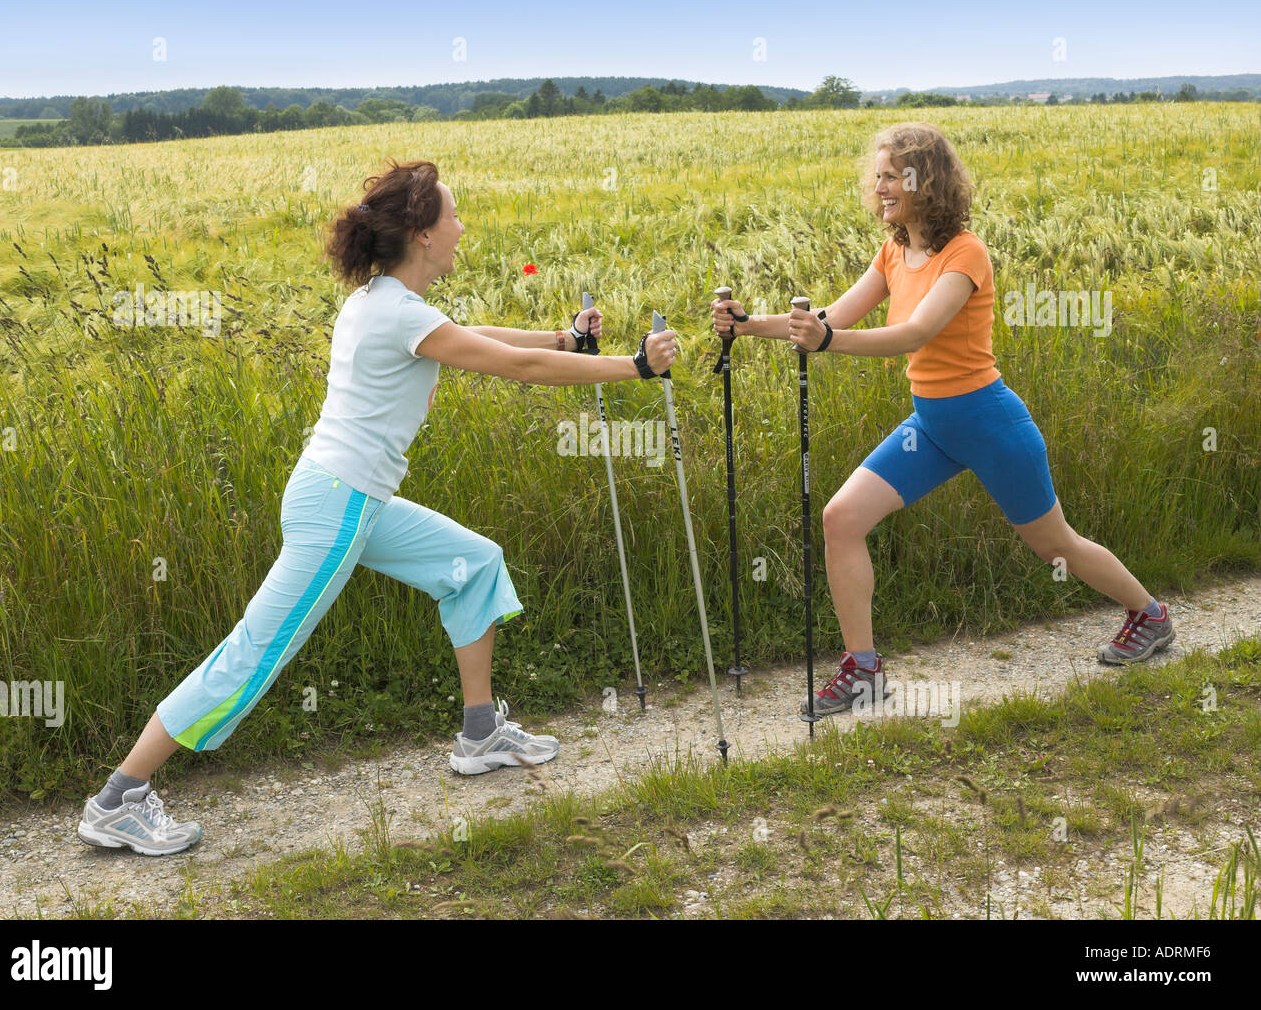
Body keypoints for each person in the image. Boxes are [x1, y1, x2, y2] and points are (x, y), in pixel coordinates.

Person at [78, 159, 678, 855]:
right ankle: (119, 797)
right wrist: (634, 367)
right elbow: (514, 367)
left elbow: (482, 338)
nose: (462, 228)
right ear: (423, 234)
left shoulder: (389, 304)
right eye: (453, 216)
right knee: (254, 651)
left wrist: (565, 338)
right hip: (339, 505)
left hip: (347, 499)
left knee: (473, 564)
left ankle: (480, 732)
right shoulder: (396, 312)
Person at [711, 123, 1173, 717]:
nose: (878, 187)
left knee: (1054, 544)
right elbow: (830, 316)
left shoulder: (965, 253)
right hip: (931, 425)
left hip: (987, 422)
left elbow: (915, 332)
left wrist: (827, 342)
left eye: (888, 176)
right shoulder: (894, 251)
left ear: (921, 180)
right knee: (841, 519)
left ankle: (1150, 615)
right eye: (875, 176)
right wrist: (750, 326)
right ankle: (864, 670)